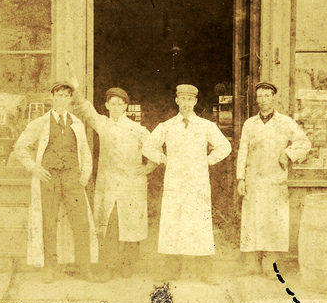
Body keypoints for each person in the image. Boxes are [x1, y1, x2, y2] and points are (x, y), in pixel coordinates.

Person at [143, 83, 231, 283]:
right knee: (172, 223)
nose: (186, 103)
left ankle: (204, 272)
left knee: (199, 224)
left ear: (195, 102)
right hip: (174, 182)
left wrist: (207, 161)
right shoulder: (166, 126)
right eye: (182, 99)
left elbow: (224, 147)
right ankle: (171, 270)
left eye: (190, 99)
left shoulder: (206, 126)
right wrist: (163, 159)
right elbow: (148, 147)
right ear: (176, 101)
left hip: (197, 183)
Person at [12, 81, 98, 282]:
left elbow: (85, 152)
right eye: (58, 95)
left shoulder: (76, 123)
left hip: (71, 179)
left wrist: (84, 175)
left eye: (66, 96)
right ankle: (49, 268)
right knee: (48, 223)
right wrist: (34, 167)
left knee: (81, 222)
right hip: (49, 178)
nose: (62, 99)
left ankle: (85, 268)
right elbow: (20, 147)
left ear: (70, 99)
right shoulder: (40, 123)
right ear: (52, 98)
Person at [70, 79, 155, 280]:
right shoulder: (103, 123)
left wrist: (146, 168)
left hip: (132, 185)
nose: (116, 107)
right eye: (112, 103)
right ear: (107, 106)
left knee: (131, 225)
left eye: (120, 104)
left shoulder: (137, 129)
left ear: (126, 106)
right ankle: (109, 266)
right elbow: (85, 108)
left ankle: (128, 265)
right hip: (109, 184)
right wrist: (76, 87)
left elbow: (155, 150)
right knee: (111, 223)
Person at [236, 81, 311, 275]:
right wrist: (240, 179)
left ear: (273, 98)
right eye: (260, 96)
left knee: (273, 221)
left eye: (267, 96)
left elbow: (304, 142)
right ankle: (251, 264)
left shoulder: (285, 122)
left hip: (275, 179)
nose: (263, 100)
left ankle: (271, 266)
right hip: (253, 179)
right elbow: (242, 151)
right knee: (252, 220)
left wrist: (287, 153)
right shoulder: (250, 124)